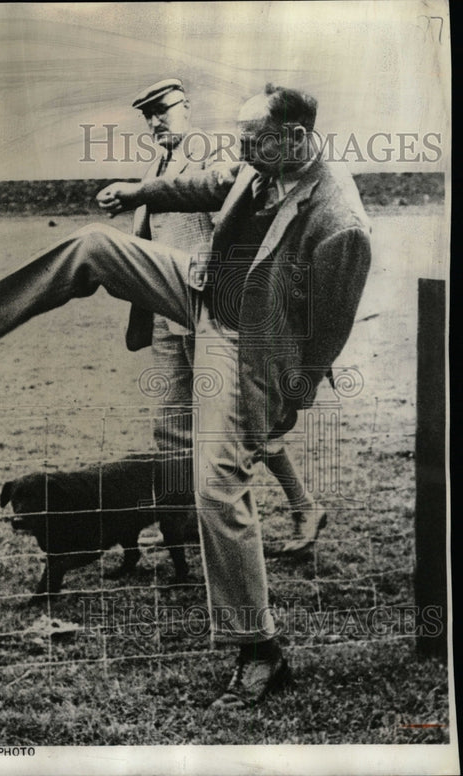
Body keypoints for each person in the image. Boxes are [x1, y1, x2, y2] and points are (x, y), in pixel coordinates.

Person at [0, 83, 372, 709]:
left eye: (251, 138)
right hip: (204, 290)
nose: (238, 148)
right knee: (95, 246)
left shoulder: (340, 221)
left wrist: (290, 401)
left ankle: (259, 651)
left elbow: (329, 331)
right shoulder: (261, 160)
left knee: (215, 490)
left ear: (294, 138)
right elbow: (213, 184)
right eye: (239, 136)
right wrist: (140, 191)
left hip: (250, 347)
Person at [127, 78, 324, 556]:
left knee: (234, 429)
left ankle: (302, 508)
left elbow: (236, 232)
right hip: (165, 314)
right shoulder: (155, 165)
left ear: (186, 108)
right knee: (172, 426)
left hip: (212, 310)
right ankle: (180, 529)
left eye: (163, 110)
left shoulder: (220, 159)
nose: (155, 121)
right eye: (147, 114)